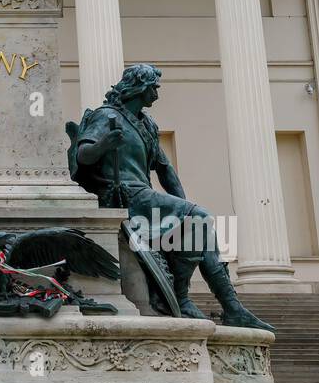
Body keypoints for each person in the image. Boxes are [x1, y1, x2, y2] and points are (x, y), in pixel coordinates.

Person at [68, 63, 275, 332]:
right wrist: (105, 144)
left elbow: (166, 171)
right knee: (199, 218)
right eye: (154, 87)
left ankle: (227, 307)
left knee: (200, 224)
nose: (157, 93)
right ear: (139, 88)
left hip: (143, 196)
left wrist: (186, 210)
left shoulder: (146, 124)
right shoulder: (106, 117)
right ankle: (190, 299)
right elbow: (83, 157)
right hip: (123, 196)